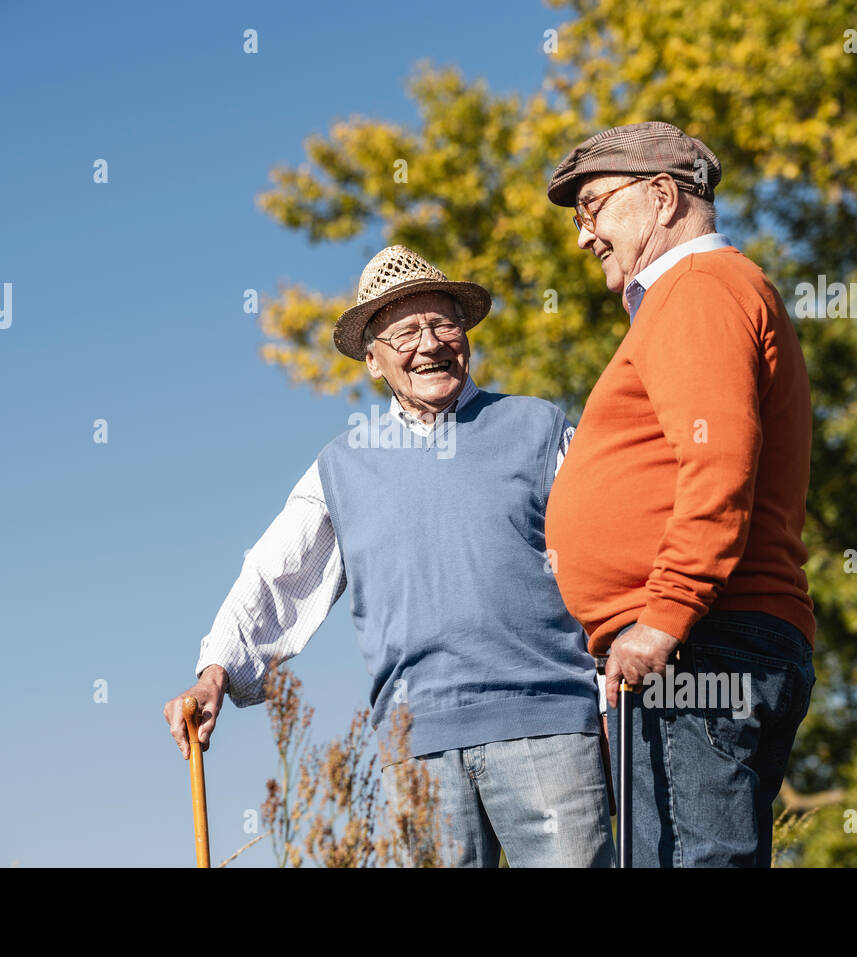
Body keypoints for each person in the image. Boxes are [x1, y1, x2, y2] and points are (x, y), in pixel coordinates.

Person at [164, 244, 614, 867]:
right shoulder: (344, 466)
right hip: (417, 743)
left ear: (467, 336)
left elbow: (607, 559)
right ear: (373, 361)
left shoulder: (537, 429)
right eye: (403, 332)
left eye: (443, 324)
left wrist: (620, 693)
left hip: (549, 727)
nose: (428, 343)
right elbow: (276, 573)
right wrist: (216, 669)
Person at [544, 121, 817, 866]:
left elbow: (718, 459)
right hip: (697, 643)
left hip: (700, 643)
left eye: (593, 208)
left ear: (662, 196)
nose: (584, 236)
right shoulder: (696, 297)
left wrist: (663, 618)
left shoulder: (695, 289)